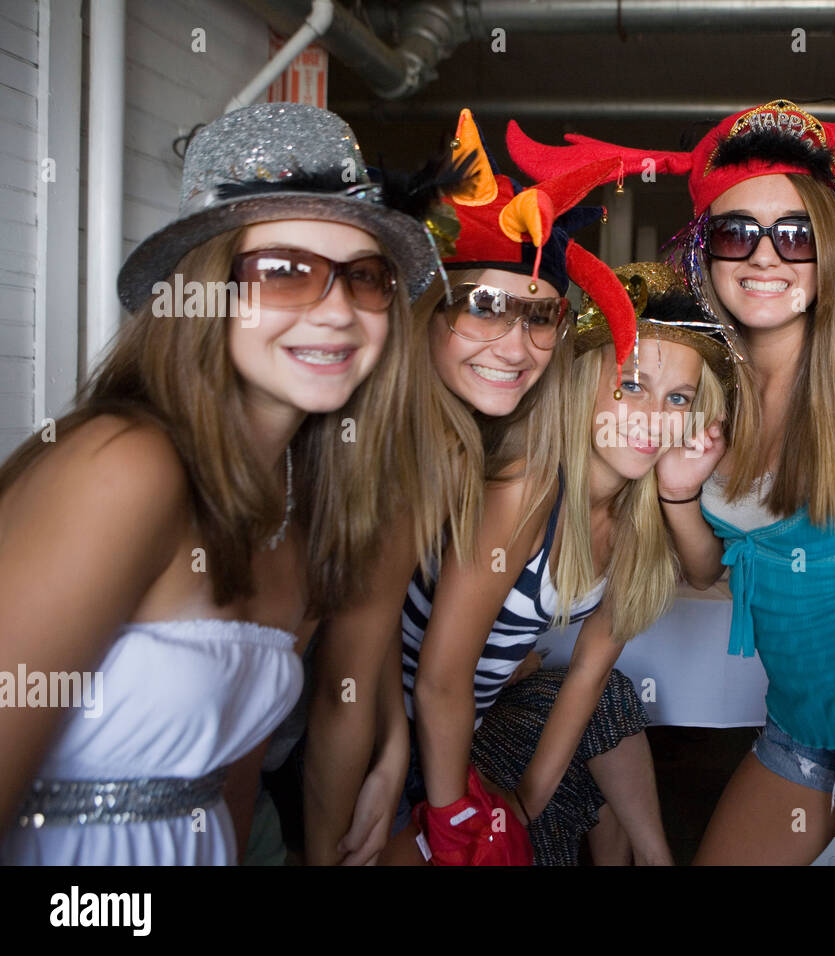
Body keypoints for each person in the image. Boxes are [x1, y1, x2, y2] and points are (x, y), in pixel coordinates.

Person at [510, 100, 835, 865]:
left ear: (828, 252)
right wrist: (678, 495)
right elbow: (715, 569)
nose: (765, 257)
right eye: (738, 233)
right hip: (798, 728)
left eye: (795, 236)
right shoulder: (720, 399)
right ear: (705, 252)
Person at [0, 102, 440, 864]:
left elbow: (227, 783)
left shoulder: (302, 505)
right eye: (283, 272)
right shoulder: (126, 467)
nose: (337, 311)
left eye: (364, 278)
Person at [303, 109, 659, 866]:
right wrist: (419, 799)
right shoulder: (402, 451)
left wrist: (399, 752)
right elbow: (342, 688)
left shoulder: (461, 441)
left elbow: (387, 657)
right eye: (486, 307)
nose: (516, 345)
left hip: (391, 744)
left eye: (540, 317)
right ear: (430, 311)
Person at [385, 260, 737, 866]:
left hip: (479, 720)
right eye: (631, 385)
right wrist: (461, 822)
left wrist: (524, 805)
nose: (655, 415)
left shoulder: (633, 520)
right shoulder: (525, 492)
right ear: (581, 383)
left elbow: (588, 677)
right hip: (406, 737)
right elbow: (441, 682)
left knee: (612, 700)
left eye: (677, 398)